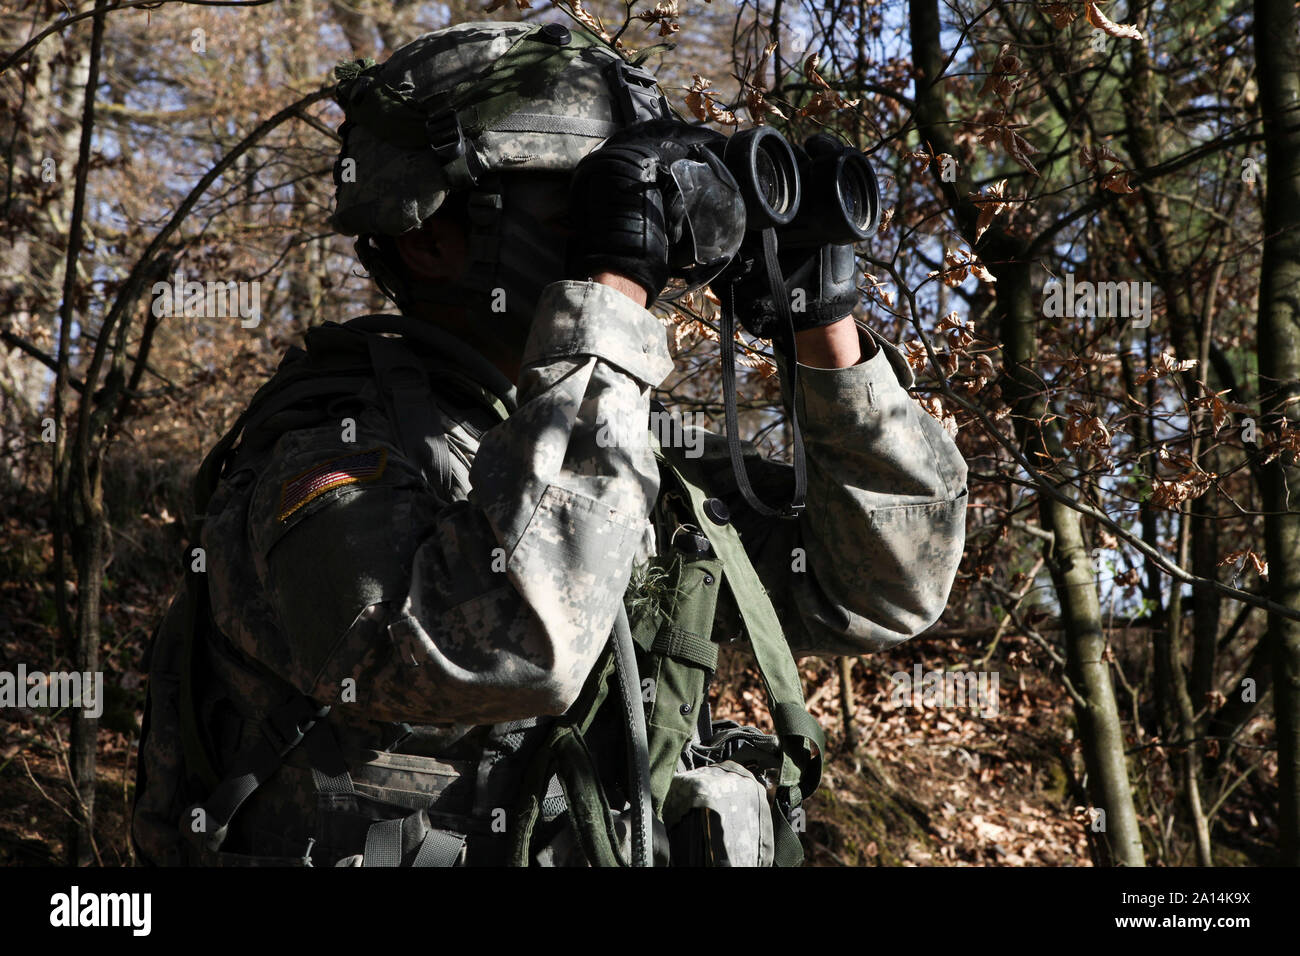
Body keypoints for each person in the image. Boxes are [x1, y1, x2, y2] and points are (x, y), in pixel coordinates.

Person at [132, 19, 967, 867]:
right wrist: (613, 296)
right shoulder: (324, 457)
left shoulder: (622, 458)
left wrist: (822, 330)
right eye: (582, 206)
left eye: (621, 207)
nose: (622, 233)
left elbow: (880, 588)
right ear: (428, 239)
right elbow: (512, 647)